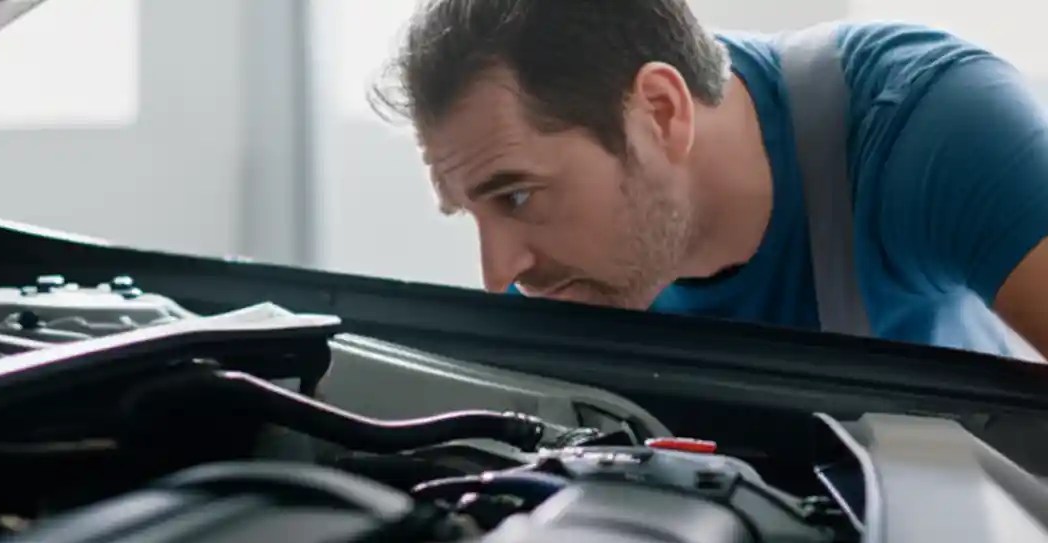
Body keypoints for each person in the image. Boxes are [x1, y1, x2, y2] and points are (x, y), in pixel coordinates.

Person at [370, 0, 1048, 360]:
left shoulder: (933, 125)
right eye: (471, 213)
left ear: (660, 112)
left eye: (517, 196)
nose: (500, 275)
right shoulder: (566, 271)